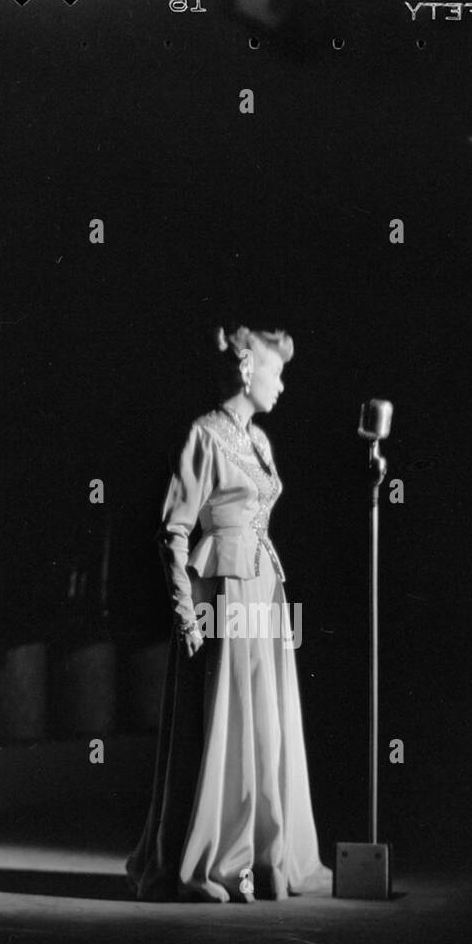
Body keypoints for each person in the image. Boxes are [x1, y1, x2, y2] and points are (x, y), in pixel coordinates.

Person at [125, 323, 333, 902]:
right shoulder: (205, 435)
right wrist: (184, 614)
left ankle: (268, 859)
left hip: (264, 590)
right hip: (223, 593)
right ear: (248, 369)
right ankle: (210, 864)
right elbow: (174, 531)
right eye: (277, 371)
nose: (283, 385)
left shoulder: (260, 442)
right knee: (226, 723)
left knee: (265, 722)